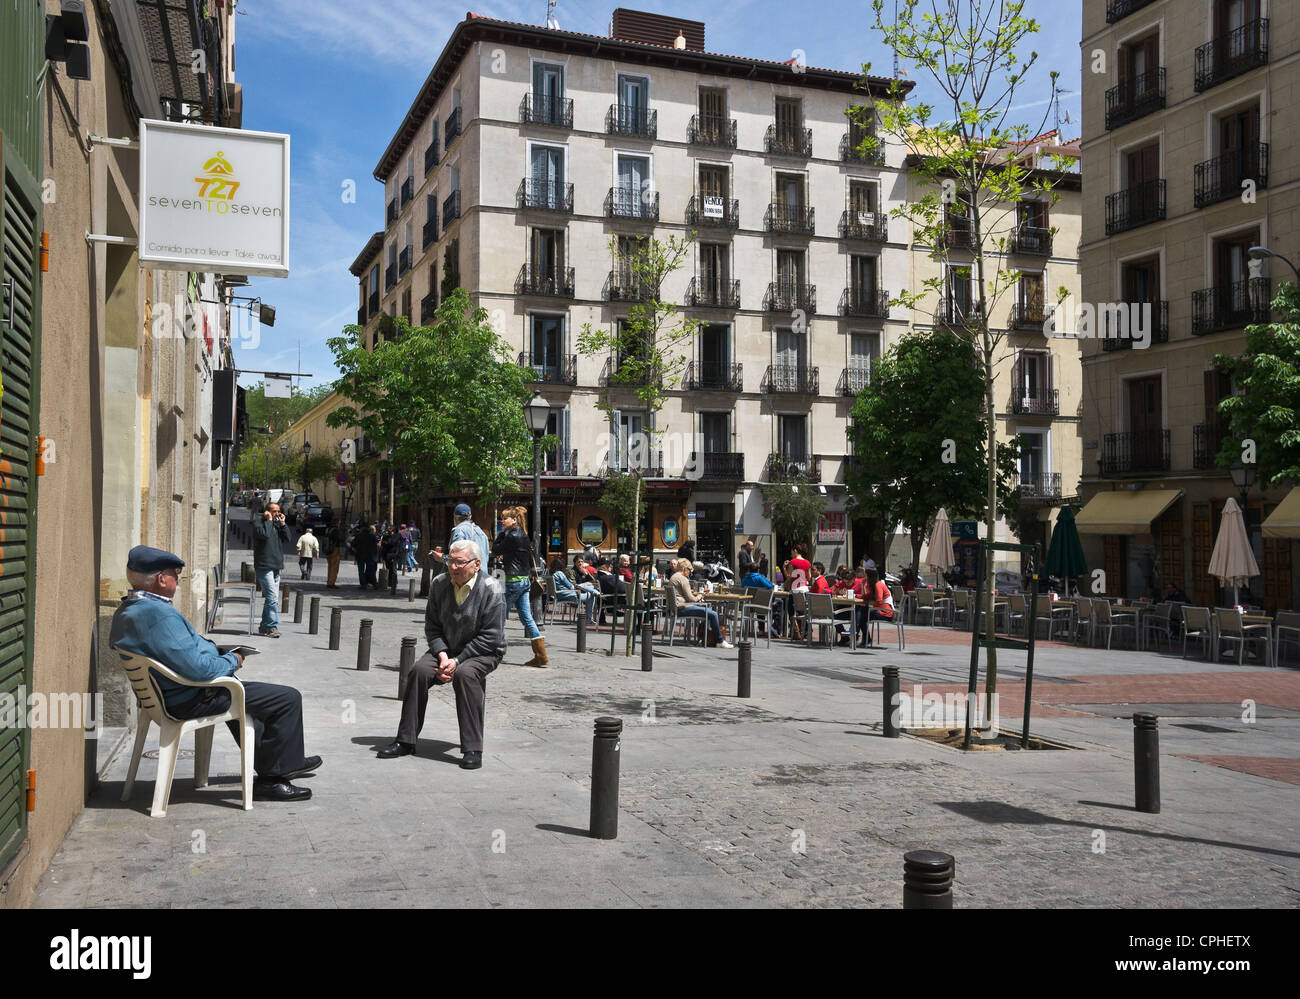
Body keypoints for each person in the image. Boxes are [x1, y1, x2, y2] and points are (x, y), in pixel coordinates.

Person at [108, 545, 319, 801]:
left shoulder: (129, 609)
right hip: (189, 698)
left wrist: (215, 653)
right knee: (285, 698)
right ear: (162, 580)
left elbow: (178, 653)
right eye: (175, 574)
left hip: (167, 696)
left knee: (243, 695)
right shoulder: (157, 614)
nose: (178, 579)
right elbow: (199, 670)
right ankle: (273, 779)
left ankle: (284, 761)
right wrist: (233, 658)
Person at [377, 539, 506, 769]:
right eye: (450, 561)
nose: (453, 567)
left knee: (465, 675)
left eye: (459, 562)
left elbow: (492, 636)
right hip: (447, 649)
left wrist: (457, 661)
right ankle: (405, 740)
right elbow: (433, 626)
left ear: (476, 564)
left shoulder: (491, 588)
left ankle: (473, 748)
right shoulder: (439, 583)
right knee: (418, 671)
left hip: (483, 651)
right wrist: (444, 656)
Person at [492, 506, 547, 667]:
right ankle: (541, 655)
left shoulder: (512, 536)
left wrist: (501, 533)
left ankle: (496, 651)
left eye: (505, 518)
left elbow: (495, 550)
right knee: (527, 618)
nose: (502, 521)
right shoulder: (523, 535)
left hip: (512, 581)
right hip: (523, 581)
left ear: (514, 520)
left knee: (500, 616)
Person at [669, 558, 733, 648]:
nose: (690, 572)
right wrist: (698, 597)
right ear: (685, 569)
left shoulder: (673, 577)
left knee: (707, 612)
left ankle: (702, 638)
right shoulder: (683, 579)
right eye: (690, 570)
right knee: (713, 614)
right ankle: (719, 641)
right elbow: (690, 598)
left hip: (677, 608)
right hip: (683, 608)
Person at [251, 499, 292, 638]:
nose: (277, 514)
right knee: (272, 598)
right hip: (264, 566)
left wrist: (283, 524)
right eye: (274, 511)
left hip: (275, 566)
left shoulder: (277, 524)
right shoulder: (259, 523)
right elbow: (264, 535)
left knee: (271, 598)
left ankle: (264, 626)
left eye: (279, 511)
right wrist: (268, 521)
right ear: (267, 511)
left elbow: (288, 539)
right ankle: (271, 626)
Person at [431, 503, 492, 579]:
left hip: (467, 578)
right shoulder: (482, 533)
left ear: (455, 517)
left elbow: (457, 558)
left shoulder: (459, 530)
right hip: (482, 578)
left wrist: (441, 557)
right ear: (470, 517)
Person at [859, 567, 895, 648]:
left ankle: (865, 638)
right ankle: (865, 638)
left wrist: (871, 606)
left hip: (886, 613)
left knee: (861, 616)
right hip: (880, 611)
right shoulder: (872, 585)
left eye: (865, 575)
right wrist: (863, 585)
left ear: (869, 576)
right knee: (861, 612)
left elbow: (879, 601)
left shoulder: (878, 585)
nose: (864, 577)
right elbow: (865, 597)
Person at [551, 556, 596, 622]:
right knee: (591, 595)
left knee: (587, 588)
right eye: (578, 562)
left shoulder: (552, 574)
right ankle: (588, 619)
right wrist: (579, 587)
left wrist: (587, 574)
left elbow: (593, 581)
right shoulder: (560, 573)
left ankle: (595, 592)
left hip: (561, 595)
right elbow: (571, 586)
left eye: (582, 562)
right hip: (567, 595)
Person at [354, 524, 380, 589]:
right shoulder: (372, 536)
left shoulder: (359, 536)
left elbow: (354, 544)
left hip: (360, 555)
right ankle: (375, 584)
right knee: (371, 570)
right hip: (370, 555)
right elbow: (377, 544)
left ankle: (363, 585)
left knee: (361, 570)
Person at [325, 523, 343, 588]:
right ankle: (331, 583)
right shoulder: (336, 530)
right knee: (334, 567)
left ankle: (329, 581)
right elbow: (338, 539)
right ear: (337, 523)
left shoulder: (327, 529)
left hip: (328, 550)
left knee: (330, 566)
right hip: (334, 549)